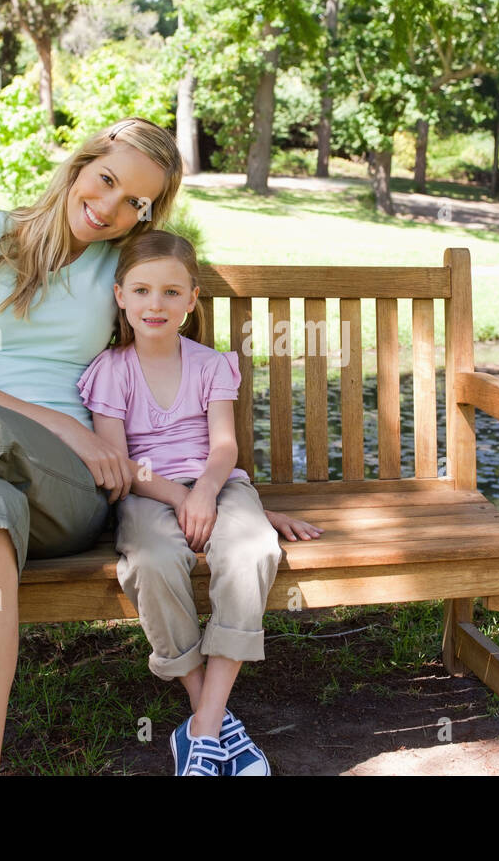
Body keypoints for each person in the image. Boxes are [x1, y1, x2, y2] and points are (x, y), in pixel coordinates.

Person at [0, 118, 314, 776]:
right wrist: (64, 424)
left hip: (71, 483)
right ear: (84, 161)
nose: (109, 208)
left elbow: (165, 379)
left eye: (134, 202)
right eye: (106, 179)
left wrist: (229, 494)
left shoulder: (123, 271)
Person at [78, 230, 322, 775]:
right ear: (120, 296)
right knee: (154, 561)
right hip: (147, 493)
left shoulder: (212, 365)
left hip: (216, 486)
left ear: (192, 300)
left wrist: (209, 492)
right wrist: (181, 497)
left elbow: (224, 448)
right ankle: (207, 714)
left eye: (171, 292)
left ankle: (204, 728)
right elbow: (120, 463)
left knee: (253, 549)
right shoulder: (111, 370)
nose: (155, 304)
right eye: (141, 291)